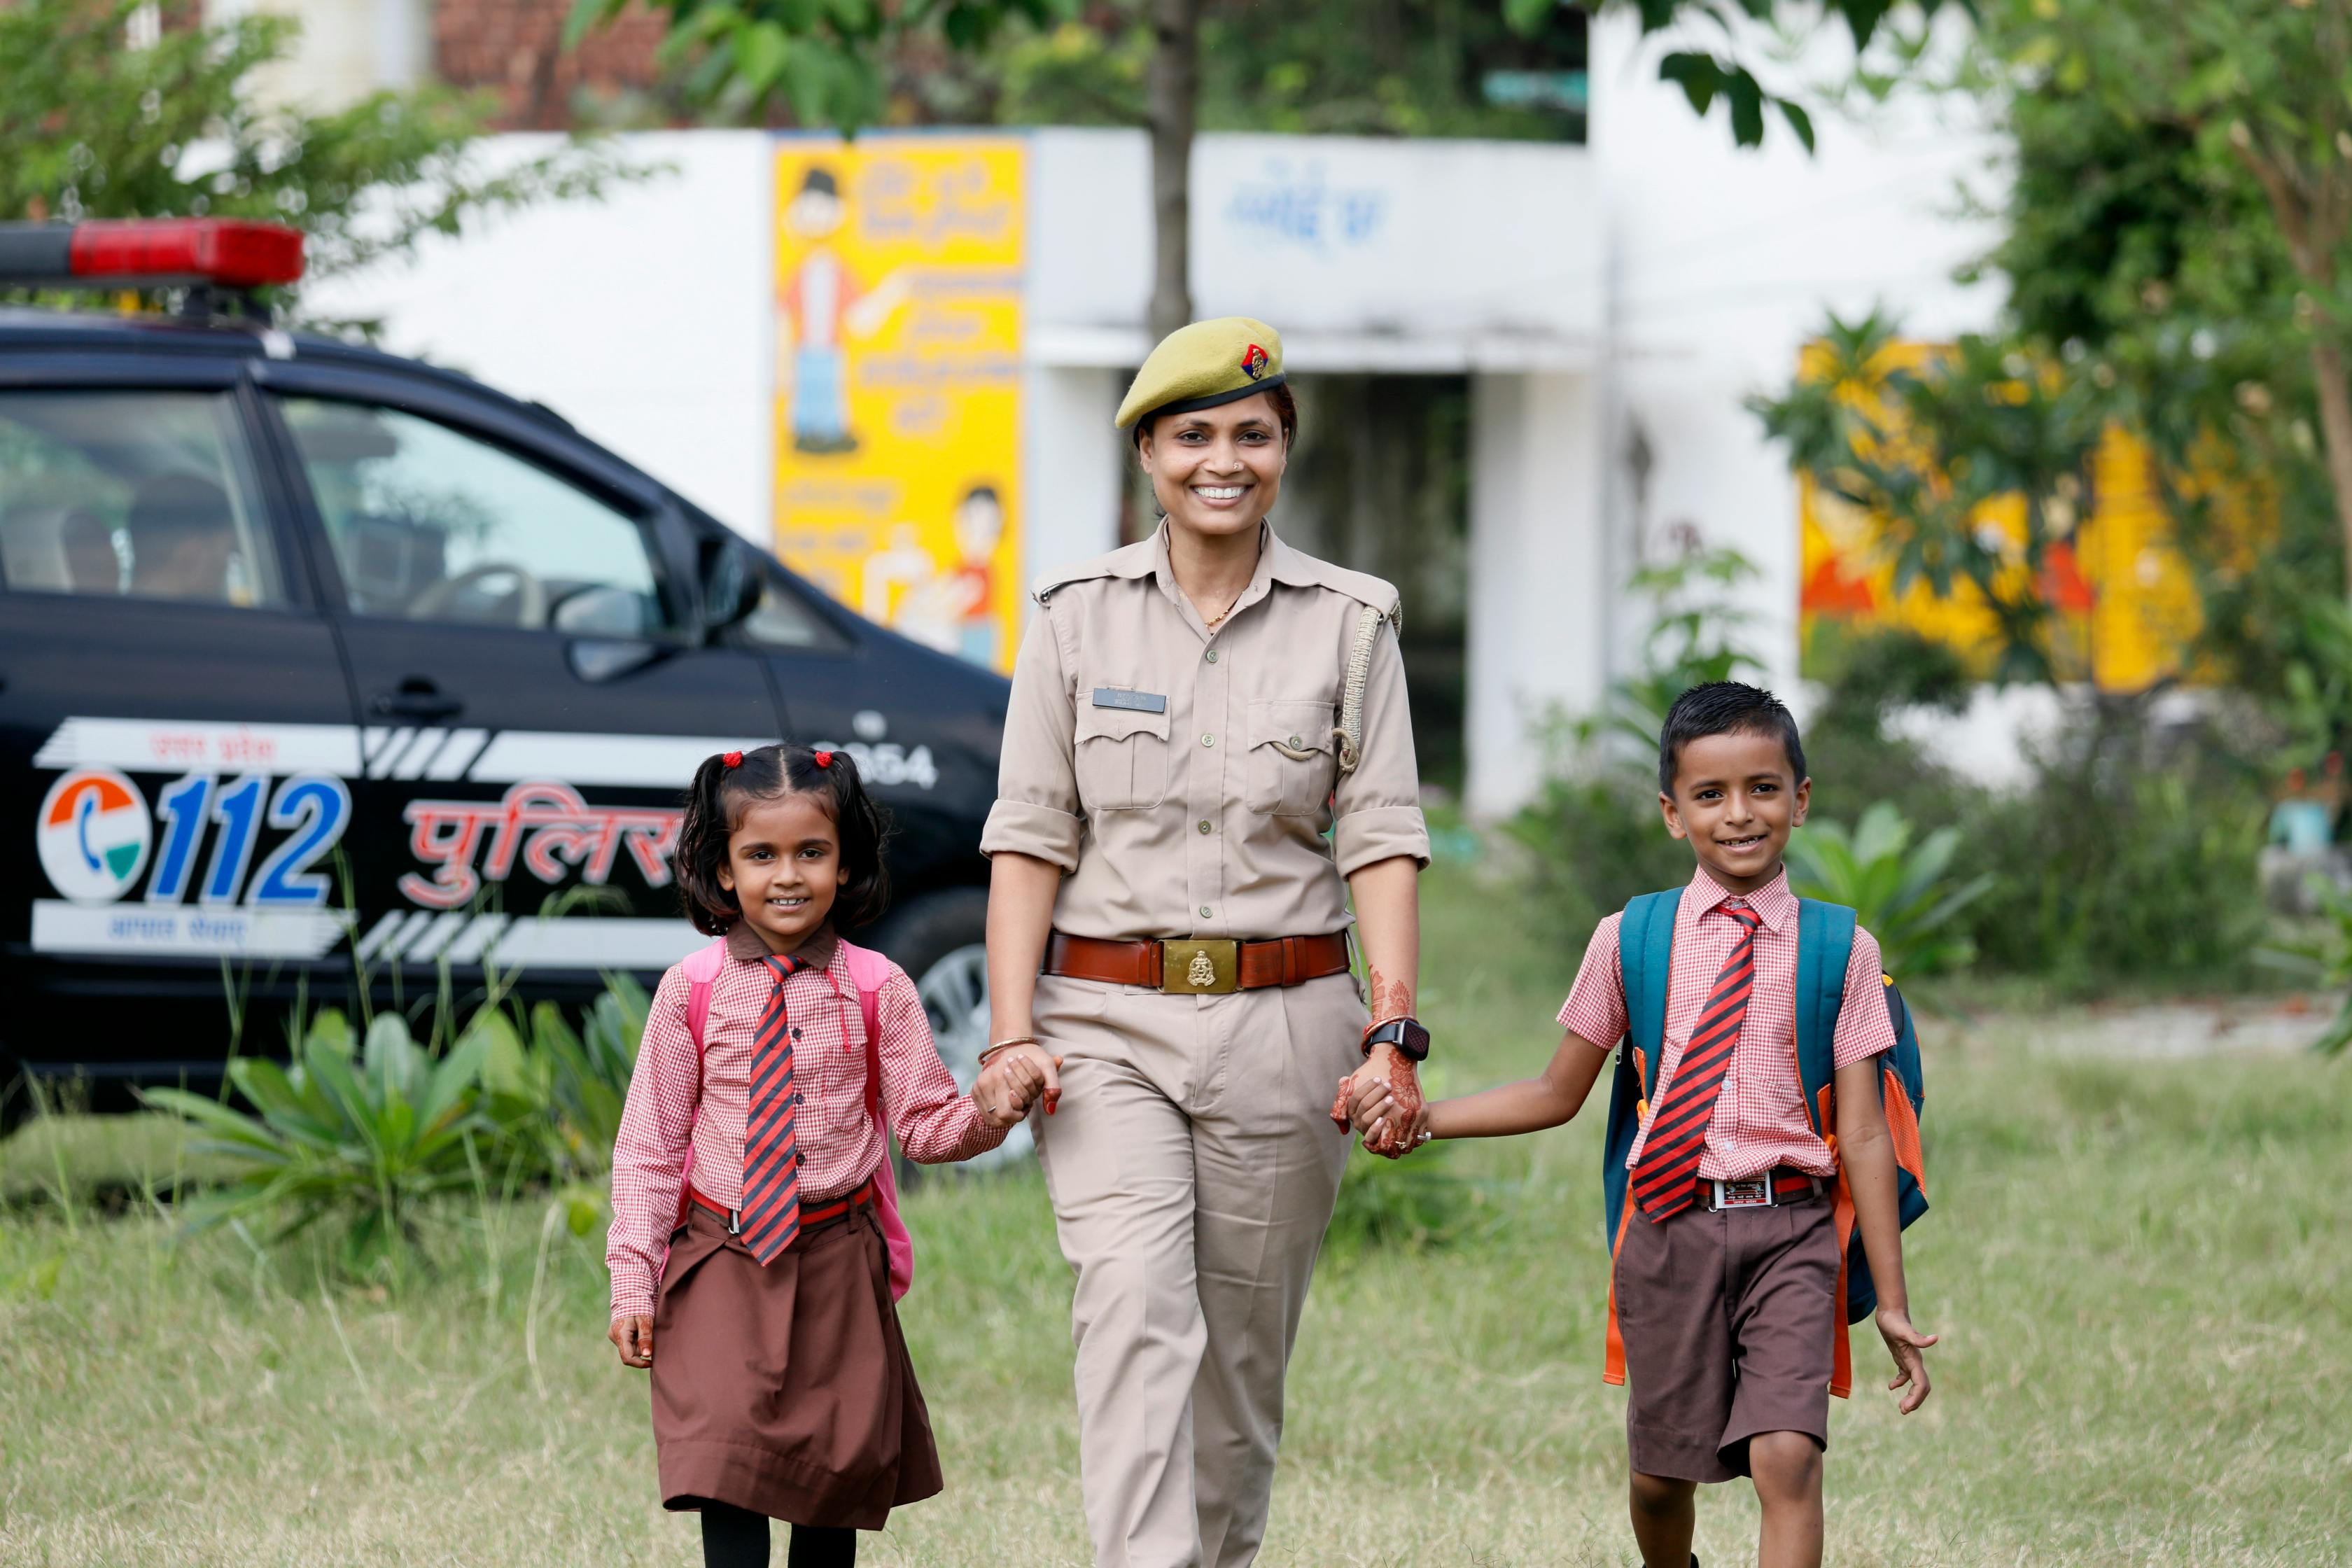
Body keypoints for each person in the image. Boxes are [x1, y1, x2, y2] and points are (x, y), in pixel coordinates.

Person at [980, 316, 1433, 1568]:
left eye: (1251, 434)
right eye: (1193, 436)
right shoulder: (1076, 621)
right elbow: (1029, 836)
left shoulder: (1352, 626)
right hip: (1103, 1023)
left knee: (1238, 1357)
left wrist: (1392, 1029)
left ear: (1283, 450)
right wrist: (1011, 1031)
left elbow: (1382, 839)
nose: (1221, 460)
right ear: (1148, 454)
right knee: (1134, 1310)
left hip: (1288, 1025)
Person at [1352, 681, 1938, 1568]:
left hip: (1793, 1231)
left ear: (1802, 798)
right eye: (1710, 794)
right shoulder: (1630, 939)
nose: (1739, 814)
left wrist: (1890, 1301)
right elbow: (1558, 1090)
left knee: (1789, 1455)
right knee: (1663, 1477)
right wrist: (1428, 1117)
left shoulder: (1843, 948)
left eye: (1764, 788)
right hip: (1669, 1229)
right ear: (1673, 813)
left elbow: (1861, 1134)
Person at [606, 743, 1047, 1568]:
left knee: (831, 1478)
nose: (788, 874)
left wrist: (989, 1111)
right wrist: (633, 1279)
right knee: (724, 1461)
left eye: (812, 851)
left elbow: (923, 1127)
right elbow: (650, 1148)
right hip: (720, 1258)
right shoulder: (689, 990)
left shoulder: (881, 988)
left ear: (845, 865)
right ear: (722, 869)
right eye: (760, 854)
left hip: (838, 1264)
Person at [126, 472, 237, 601]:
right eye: (227, 552)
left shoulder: (113, 617)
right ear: (191, 554)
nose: (227, 567)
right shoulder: (198, 620)